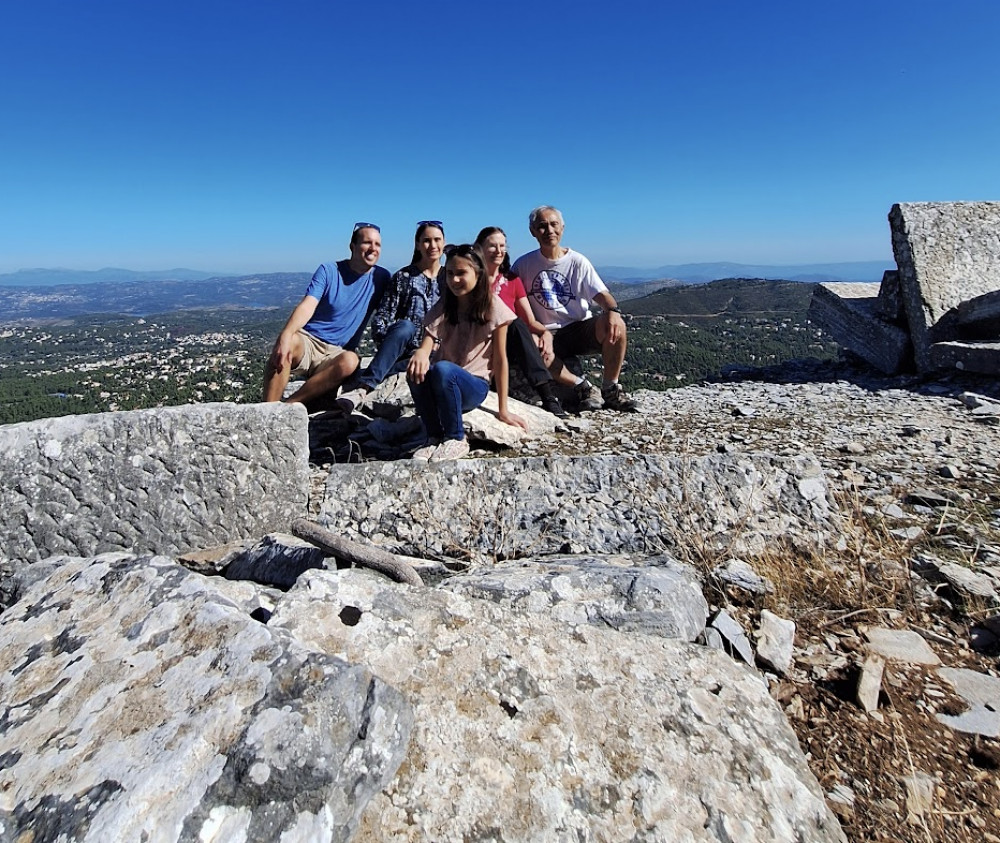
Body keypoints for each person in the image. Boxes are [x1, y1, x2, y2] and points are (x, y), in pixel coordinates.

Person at [407, 244, 527, 462]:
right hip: (442, 383)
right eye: (450, 273)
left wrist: (503, 410)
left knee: (444, 370)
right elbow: (428, 339)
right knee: (416, 370)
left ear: (478, 273)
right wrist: (422, 353)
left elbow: (500, 359)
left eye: (461, 273)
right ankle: (433, 436)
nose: (454, 280)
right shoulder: (446, 304)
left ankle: (455, 438)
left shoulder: (494, 307)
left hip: (473, 384)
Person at [511, 205, 637, 412]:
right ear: (533, 231)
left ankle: (611, 389)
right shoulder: (523, 264)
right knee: (532, 345)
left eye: (554, 224)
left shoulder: (577, 262)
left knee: (617, 326)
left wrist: (613, 312)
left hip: (576, 329)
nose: (549, 230)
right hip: (545, 332)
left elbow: (601, 294)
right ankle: (583, 387)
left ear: (563, 227)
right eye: (542, 226)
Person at [262, 223, 390, 409]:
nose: (373, 248)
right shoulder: (329, 271)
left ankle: (289, 407)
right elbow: (308, 305)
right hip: (310, 341)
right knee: (287, 344)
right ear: (352, 247)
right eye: (367, 242)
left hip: (338, 352)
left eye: (377, 244)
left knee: (351, 361)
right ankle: (267, 410)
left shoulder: (382, 277)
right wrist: (286, 334)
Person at [336, 221, 445, 414]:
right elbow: (382, 320)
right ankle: (363, 388)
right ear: (418, 244)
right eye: (426, 240)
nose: (433, 245)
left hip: (436, 352)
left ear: (444, 243)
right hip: (404, 349)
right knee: (406, 326)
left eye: (437, 240)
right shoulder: (404, 277)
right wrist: (391, 342)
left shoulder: (450, 278)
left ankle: (379, 374)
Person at [474, 226, 568, 418]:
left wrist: (545, 334)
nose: (499, 251)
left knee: (515, 323)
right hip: (478, 342)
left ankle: (547, 396)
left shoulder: (512, 280)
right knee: (513, 323)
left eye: (502, 246)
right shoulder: (472, 279)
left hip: (507, 342)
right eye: (492, 246)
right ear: (480, 249)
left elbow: (530, 320)